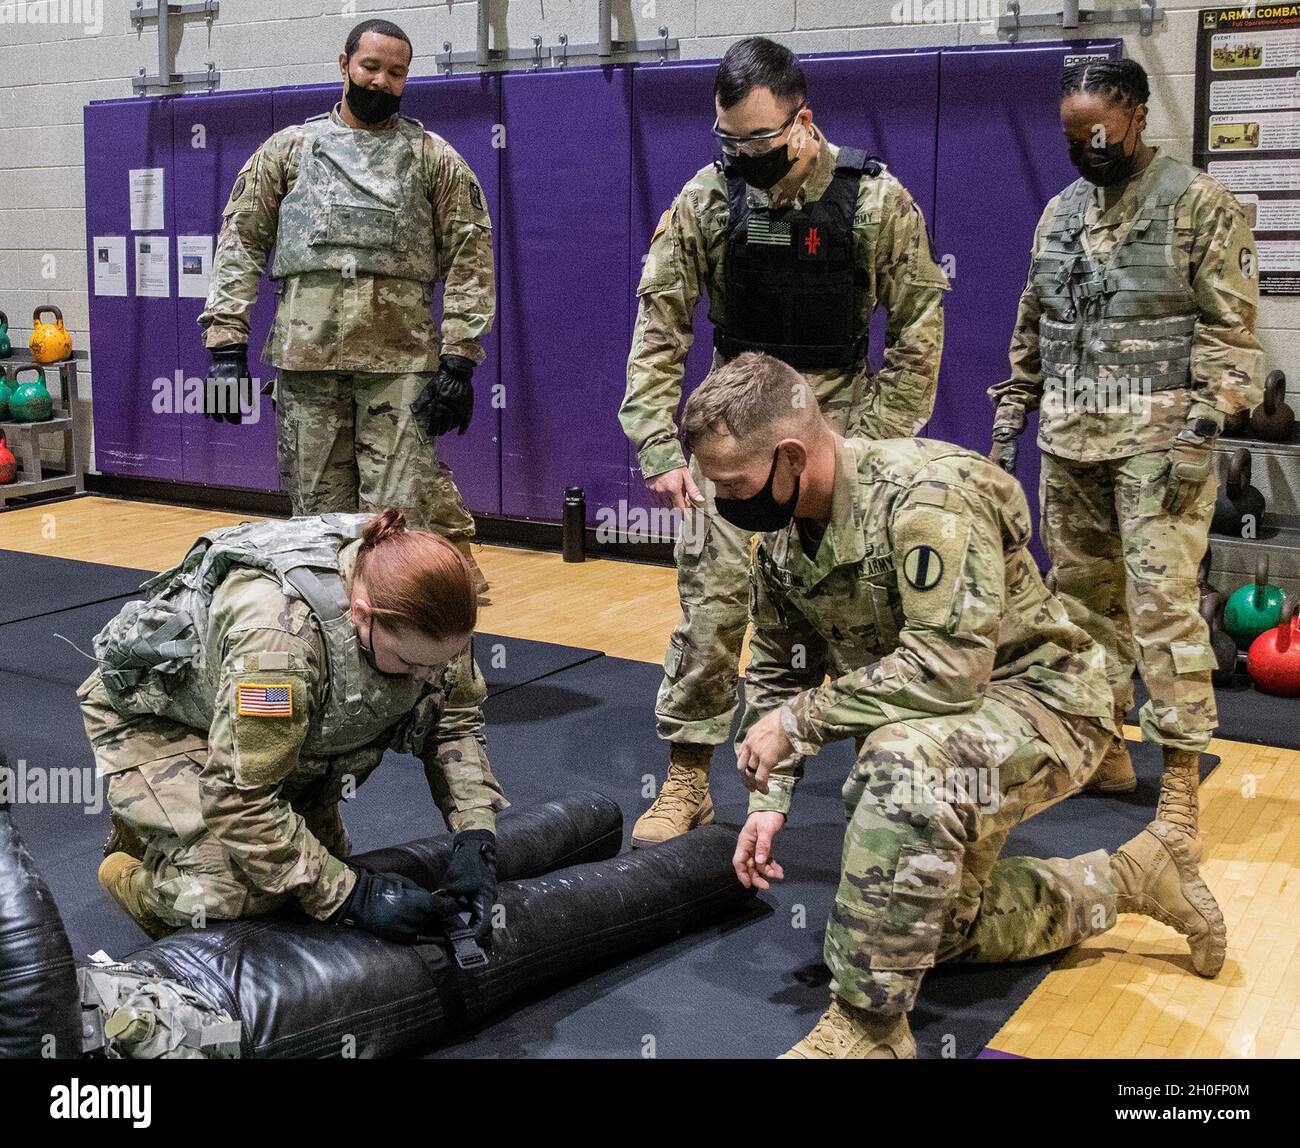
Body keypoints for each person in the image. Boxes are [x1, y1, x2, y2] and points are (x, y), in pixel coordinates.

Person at [682, 352, 1225, 1059]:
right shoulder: (783, 535)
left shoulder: (925, 494)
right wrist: (768, 797)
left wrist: (802, 723)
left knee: (902, 766)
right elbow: (782, 671)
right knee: (924, 926)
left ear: (790, 455)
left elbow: (950, 671)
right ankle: (1127, 878)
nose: (724, 500)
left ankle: (867, 1030)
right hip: (942, 723)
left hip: (1044, 702)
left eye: (733, 482)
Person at [620, 37, 949, 846]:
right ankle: (689, 778)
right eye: (729, 141)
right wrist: (659, 450)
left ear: (804, 121)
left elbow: (918, 334)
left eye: (760, 142)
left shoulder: (875, 203)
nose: (743, 157)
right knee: (712, 609)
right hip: (734, 431)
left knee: (870, 622)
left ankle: (897, 782)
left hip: (839, 427)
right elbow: (659, 325)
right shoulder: (707, 198)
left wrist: (867, 451)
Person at [989, 59, 1262, 853]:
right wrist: (1015, 407)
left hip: (1157, 447)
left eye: (1100, 133)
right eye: (1074, 140)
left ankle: (1178, 782)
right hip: (1070, 444)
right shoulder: (1060, 212)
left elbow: (1230, 330)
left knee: (1163, 612)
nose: (1088, 150)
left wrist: (1205, 426)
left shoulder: (1198, 203)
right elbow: (1036, 318)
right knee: (1077, 609)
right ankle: (1101, 747)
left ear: (1138, 116)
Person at [82, 509, 507, 946]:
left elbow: (453, 722)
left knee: (312, 877)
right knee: (230, 895)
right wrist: (352, 894)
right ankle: (131, 864)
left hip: (269, 740)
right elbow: (240, 800)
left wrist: (475, 837)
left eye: (437, 663)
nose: (424, 677)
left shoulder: (432, 617)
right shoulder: (277, 644)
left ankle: (174, 821)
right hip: (162, 722)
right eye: (410, 664)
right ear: (362, 615)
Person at [200, 18, 494, 597]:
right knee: (315, 522)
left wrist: (460, 361)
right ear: (344, 66)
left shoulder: (434, 159)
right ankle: (326, 654)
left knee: (395, 522)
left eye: (396, 73)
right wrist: (226, 348)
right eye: (370, 68)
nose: (381, 82)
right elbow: (240, 243)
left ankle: (408, 656)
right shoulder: (286, 151)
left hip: (399, 370)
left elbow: (470, 255)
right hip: (306, 366)